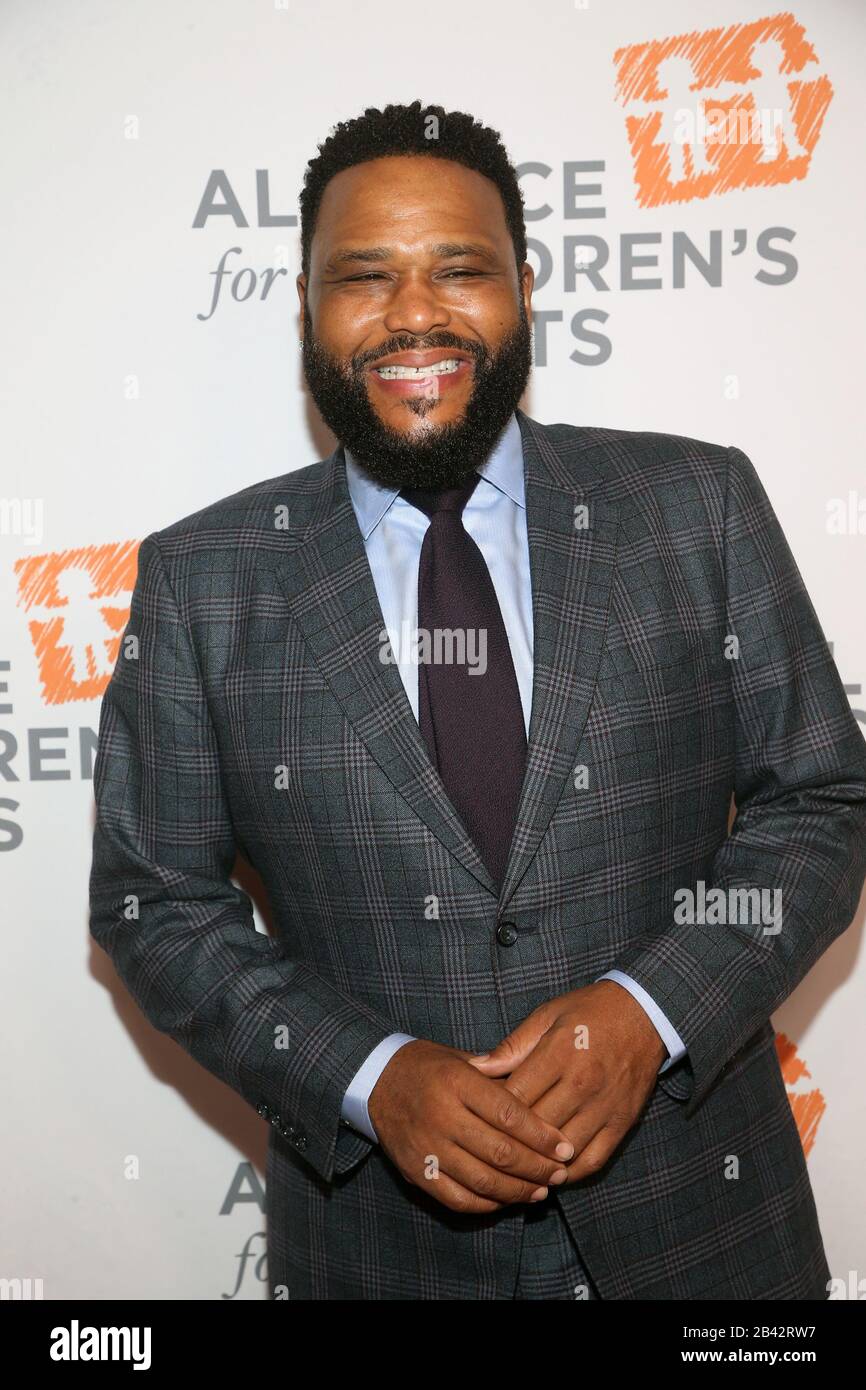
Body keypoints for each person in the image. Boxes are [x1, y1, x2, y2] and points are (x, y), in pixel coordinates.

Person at [89, 101, 866, 1301]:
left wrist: (646, 1009)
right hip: (376, 1254)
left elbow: (820, 804)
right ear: (305, 307)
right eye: (365, 276)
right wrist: (369, 1073)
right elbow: (154, 901)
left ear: (525, 289)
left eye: (461, 270)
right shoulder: (205, 577)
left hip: (706, 1241)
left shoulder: (692, 508)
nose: (415, 314)